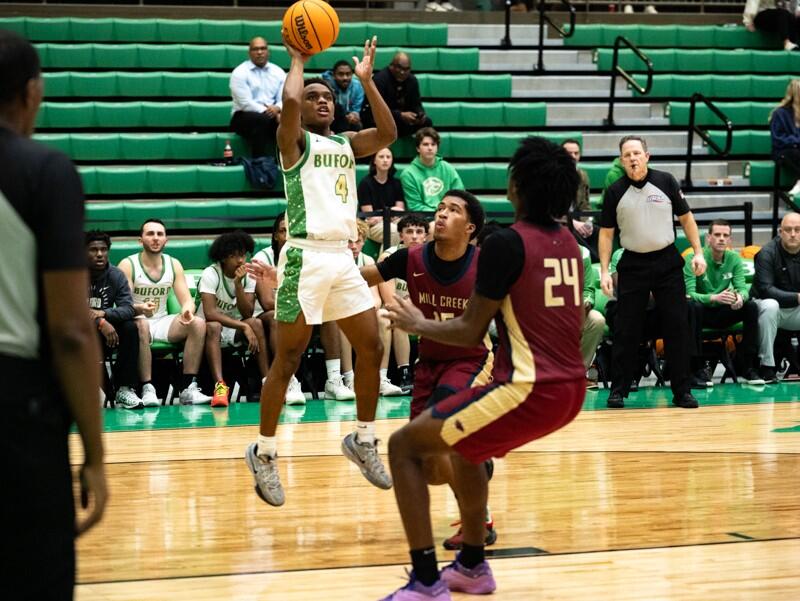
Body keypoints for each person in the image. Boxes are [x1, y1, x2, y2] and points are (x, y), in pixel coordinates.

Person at [379, 137, 586, 599]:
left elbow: (471, 331)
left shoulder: (507, 244)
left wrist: (418, 321)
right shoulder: (568, 242)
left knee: (403, 447)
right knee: (465, 449)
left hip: (530, 387)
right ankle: (472, 564)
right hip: (572, 387)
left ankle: (427, 581)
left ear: (516, 186)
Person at [243, 35, 398, 507]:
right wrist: (297, 61)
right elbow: (288, 100)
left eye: (328, 95)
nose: (321, 100)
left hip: (342, 258)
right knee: (288, 359)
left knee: (371, 347)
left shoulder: (347, 144)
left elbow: (389, 134)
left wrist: (369, 84)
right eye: (313, 96)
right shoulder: (293, 144)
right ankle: (264, 451)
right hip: (305, 257)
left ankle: (364, 440)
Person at [0, 30, 107, 599]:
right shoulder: (44, 170)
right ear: (32, 93)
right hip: (16, 409)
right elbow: (70, 330)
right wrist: (92, 453)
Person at [363, 190, 500, 553]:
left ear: (470, 228)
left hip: (470, 361)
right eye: (440, 208)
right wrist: (309, 274)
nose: (441, 215)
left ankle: (478, 520)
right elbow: (360, 277)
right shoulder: (409, 257)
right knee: (429, 466)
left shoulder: (487, 264)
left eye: (453, 211)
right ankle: (476, 464)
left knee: (446, 432)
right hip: (430, 364)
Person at [598, 135, 706, 409]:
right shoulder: (614, 192)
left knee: (677, 326)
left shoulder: (666, 181)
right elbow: (607, 235)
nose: (633, 158)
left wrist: (698, 252)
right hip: (632, 263)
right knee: (625, 328)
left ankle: (682, 390)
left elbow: (687, 219)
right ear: (621, 161)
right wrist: (604, 270)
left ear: (647, 156)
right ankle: (619, 389)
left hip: (667, 262)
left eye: (637, 153)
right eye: (627, 155)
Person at [119, 219, 212, 406]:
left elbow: (186, 299)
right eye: (150, 234)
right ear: (140, 240)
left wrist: (187, 310)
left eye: (160, 234)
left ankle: (188, 388)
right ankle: (147, 388)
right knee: (142, 324)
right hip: (136, 320)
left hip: (161, 321)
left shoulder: (173, 263)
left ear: (166, 240)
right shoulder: (128, 264)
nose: (155, 238)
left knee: (198, 323)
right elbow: (124, 305)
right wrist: (140, 309)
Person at [684, 220, 765, 386]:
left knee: (750, 306)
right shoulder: (693, 258)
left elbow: (743, 288)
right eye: (717, 235)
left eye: (725, 235)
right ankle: (696, 369)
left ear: (730, 240)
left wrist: (740, 298)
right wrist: (713, 298)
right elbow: (689, 295)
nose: (721, 239)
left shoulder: (734, 258)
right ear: (708, 238)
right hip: (701, 312)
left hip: (722, 311)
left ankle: (748, 367)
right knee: (693, 307)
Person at [198, 231, 268, 407]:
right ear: (222, 258)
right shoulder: (211, 273)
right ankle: (220, 386)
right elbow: (210, 313)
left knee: (256, 323)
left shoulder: (248, 276)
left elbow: (247, 314)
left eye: (243, 255)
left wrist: (238, 284)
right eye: (233, 256)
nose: (240, 260)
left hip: (233, 328)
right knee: (214, 326)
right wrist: (243, 327)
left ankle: (267, 381)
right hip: (207, 331)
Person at [339, 219, 404, 396]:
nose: (353, 246)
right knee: (342, 317)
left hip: (363, 309)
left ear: (364, 242)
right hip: (340, 311)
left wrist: (364, 309)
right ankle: (349, 377)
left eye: (358, 241)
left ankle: (381, 377)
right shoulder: (334, 262)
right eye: (349, 241)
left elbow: (375, 299)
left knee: (383, 315)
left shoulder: (367, 260)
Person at [87, 230, 145, 408]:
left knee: (129, 327)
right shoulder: (74, 274)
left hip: (106, 335)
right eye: (93, 250)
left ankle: (124, 388)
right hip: (79, 332)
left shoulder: (116, 275)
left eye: (103, 249)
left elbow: (128, 308)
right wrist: (100, 323)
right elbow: (69, 309)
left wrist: (105, 314)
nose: (99, 254)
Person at [253, 212, 306, 405]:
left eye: (291, 231)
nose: (287, 235)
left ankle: (336, 378)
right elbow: (267, 301)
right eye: (283, 231)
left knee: (330, 316)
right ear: (276, 235)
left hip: (299, 309)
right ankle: (289, 379)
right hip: (264, 314)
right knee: (278, 315)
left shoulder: (303, 257)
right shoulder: (263, 257)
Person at [377, 213, 430, 393]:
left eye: (419, 231)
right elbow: (389, 298)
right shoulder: (389, 256)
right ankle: (398, 375)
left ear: (425, 236)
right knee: (391, 315)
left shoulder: (432, 256)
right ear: (401, 236)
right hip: (396, 306)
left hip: (422, 307)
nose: (414, 236)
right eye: (409, 231)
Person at [751, 211, 800, 382]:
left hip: (795, 311)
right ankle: (767, 367)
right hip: (768, 311)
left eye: (797, 229)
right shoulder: (767, 253)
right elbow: (766, 290)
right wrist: (798, 297)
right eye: (788, 230)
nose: (793, 234)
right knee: (771, 304)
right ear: (780, 232)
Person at [229, 37, 287, 157]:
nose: (260, 52)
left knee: (295, 118)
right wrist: (272, 113)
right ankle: (258, 162)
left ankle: (289, 161)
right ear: (249, 52)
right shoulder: (239, 72)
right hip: (243, 116)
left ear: (268, 51)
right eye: (255, 49)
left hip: (273, 114)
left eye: (263, 48)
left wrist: (277, 108)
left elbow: (284, 98)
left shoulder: (278, 72)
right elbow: (245, 103)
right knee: (262, 120)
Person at [361, 52, 432, 138]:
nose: (403, 72)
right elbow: (375, 110)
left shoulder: (412, 80)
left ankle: (423, 148)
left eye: (406, 69)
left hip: (401, 122)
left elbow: (416, 104)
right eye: (400, 68)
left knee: (427, 122)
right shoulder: (379, 79)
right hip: (381, 120)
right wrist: (400, 115)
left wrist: (420, 114)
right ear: (391, 66)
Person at [401, 127, 465, 212]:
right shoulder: (408, 174)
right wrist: (439, 213)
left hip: (449, 215)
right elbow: (415, 206)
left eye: (433, 144)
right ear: (418, 148)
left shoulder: (448, 168)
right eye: (425, 144)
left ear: (437, 147)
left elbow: (459, 196)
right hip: (424, 219)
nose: (430, 148)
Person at [357, 147, 406, 247]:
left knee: (407, 227)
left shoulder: (396, 183)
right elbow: (370, 217)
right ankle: (385, 261)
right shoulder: (365, 183)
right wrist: (390, 213)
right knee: (393, 231)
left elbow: (399, 211)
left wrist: (384, 214)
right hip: (371, 226)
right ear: (374, 160)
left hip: (390, 220)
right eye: (381, 157)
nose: (385, 160)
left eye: (388, 157)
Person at [562, 138, 598, 260]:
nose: (573, 156)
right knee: (573, 232)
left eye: (576, 153)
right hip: (560, 221)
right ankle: (594, 261)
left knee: (597, 231)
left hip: (576, 218)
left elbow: (585, 205)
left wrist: (588, 222)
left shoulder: (582, 175)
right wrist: (572, 222)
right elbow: (550, 209)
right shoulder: (552, 175)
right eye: (569, 153)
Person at [580, 245, 606, 389]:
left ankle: (578, 374)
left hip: (574, 310)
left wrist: (583, 308)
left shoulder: (581, 252)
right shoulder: (538, 249)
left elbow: (588, 289)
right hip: (548, 311)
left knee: (596, 320)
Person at [770, 79, 800, 197]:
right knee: (794, 153)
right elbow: (778, 140)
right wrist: (796, 141)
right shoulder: (780, 113)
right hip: (784, 151)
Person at [322, 59, 365, 133]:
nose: (345, 78)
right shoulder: (325, 86)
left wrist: (354, 114)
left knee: (358, 124)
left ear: (352, 74)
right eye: (341, 74)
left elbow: (356, 108)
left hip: (348, 120)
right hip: (331, 118)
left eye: (348, 74)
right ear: (334, 75)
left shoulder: (358, 86)